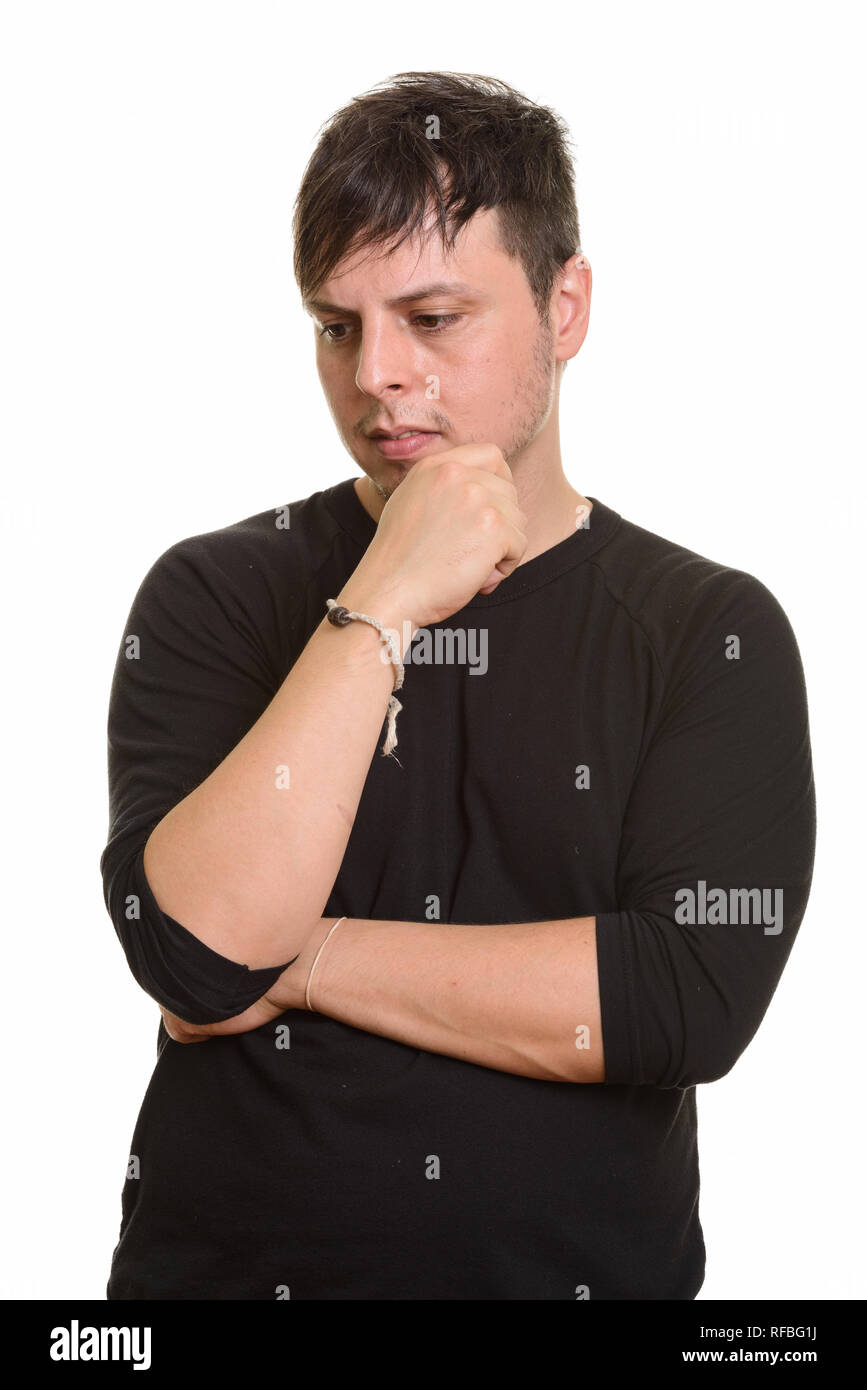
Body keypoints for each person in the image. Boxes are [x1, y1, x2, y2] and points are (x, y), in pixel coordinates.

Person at [100, 71, 816, 1300]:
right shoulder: (215, 592)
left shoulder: (708, 630)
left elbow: (682, 998)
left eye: (433, 319)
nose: (378, 374)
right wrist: (384, 599)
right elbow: (199, 956)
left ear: (566, 305)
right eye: (338, 325)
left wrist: (303, 959)